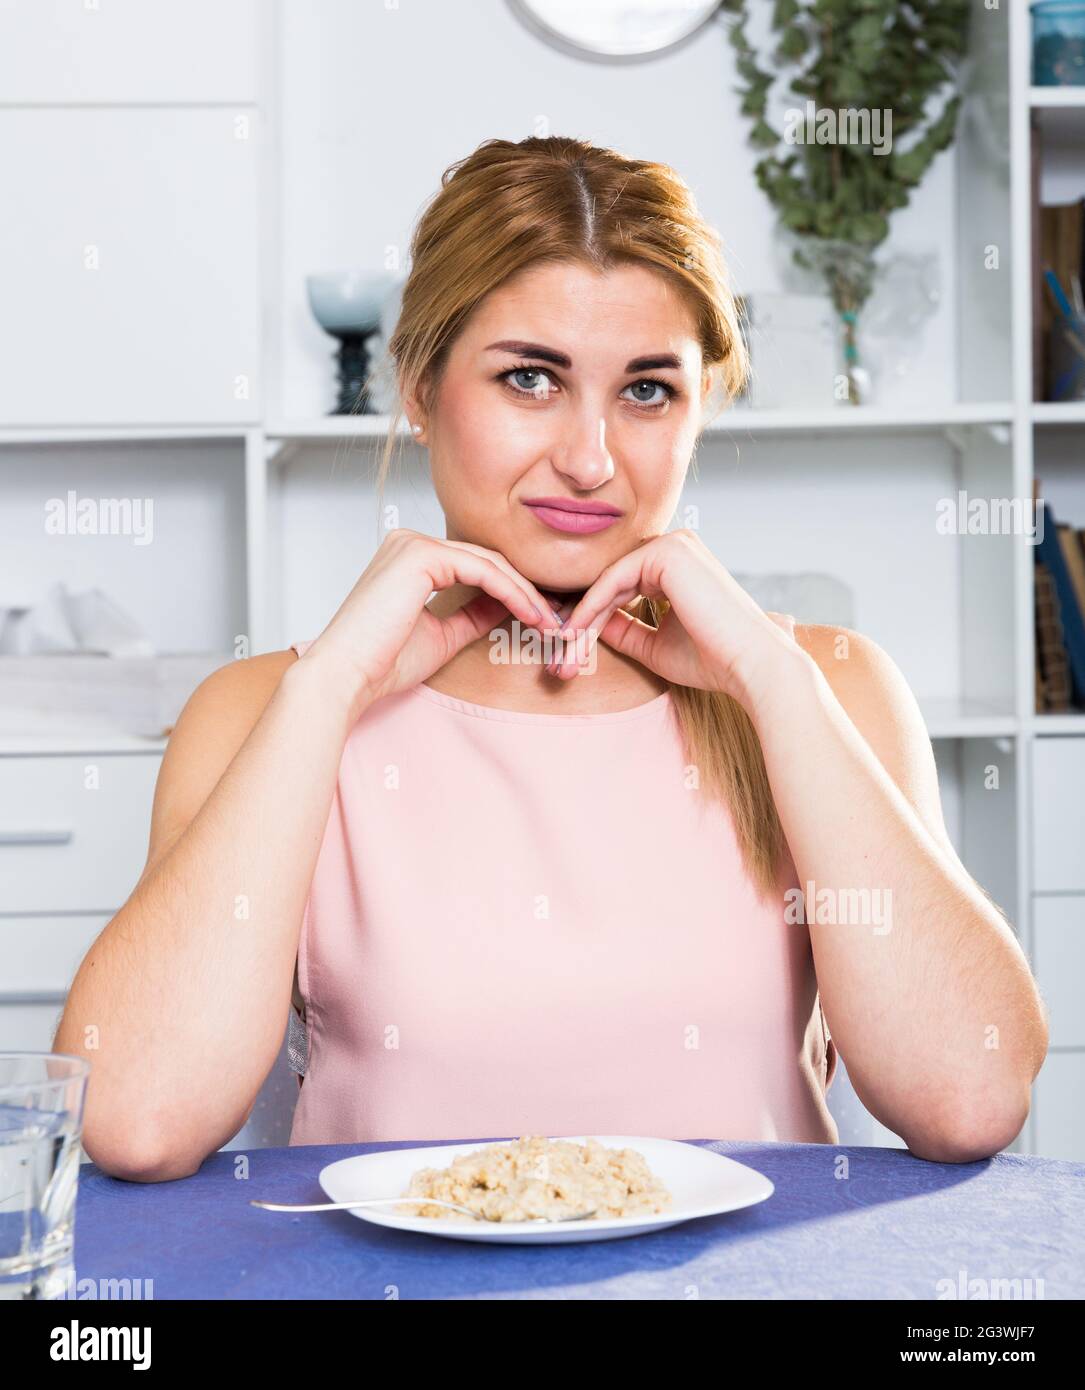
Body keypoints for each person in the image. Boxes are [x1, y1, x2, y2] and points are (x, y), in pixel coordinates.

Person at [56, 136, 1048, 1181]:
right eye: (529, 379)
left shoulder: (822, 686)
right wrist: (330, 688)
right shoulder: (266, 707)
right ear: (417, 384)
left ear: (699, 408)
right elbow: (136, 1119)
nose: (588, 458)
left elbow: (967, 1096)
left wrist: (768, 676)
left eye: (647, 391)